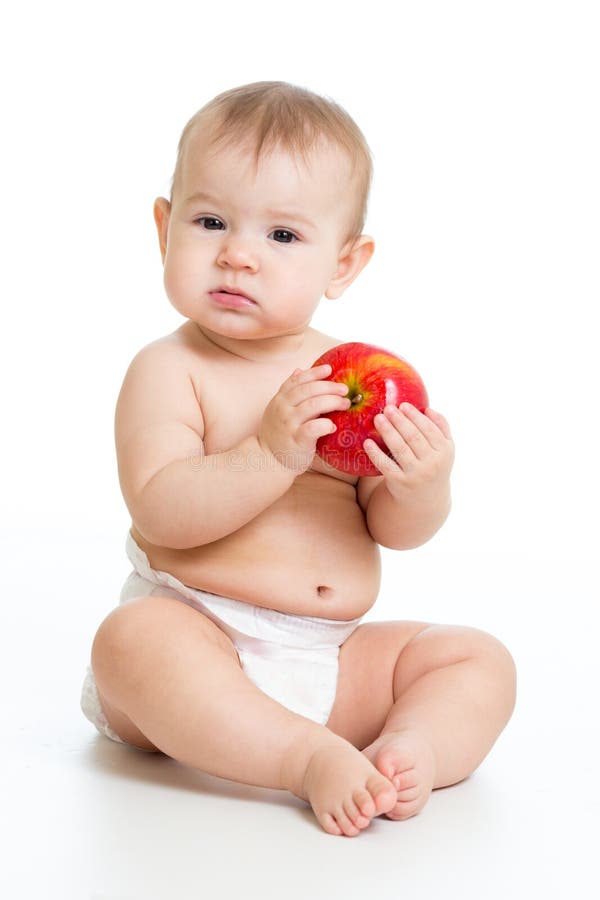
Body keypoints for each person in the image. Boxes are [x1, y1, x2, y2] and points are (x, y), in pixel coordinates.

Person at [81, 81, 516, 837]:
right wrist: (273, 451)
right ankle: (302, 760)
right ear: (164, 228)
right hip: (200, 639)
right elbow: (161, 510)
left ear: (344, 265)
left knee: (476, 659)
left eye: (282, 236)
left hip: (331, 658)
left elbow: (393, 529)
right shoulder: (171, 369)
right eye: (211, 220)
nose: (239, 255)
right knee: (132, 642)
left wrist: (421, 485)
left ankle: (411, 746)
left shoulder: (355, 377)